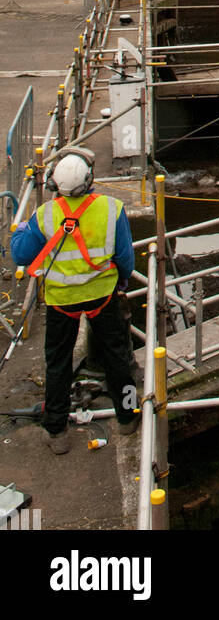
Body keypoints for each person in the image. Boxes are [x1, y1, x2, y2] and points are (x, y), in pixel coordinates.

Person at [10, 148, 138, 455]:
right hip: (102, 298)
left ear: (55, 185)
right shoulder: (111, 209)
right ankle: (128, 416)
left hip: (61, 302)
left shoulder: (45, 216)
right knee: (118, 359)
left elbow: (20, 253)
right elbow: (125, 259)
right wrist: (119, 283)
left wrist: (26, 226)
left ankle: (57, 432)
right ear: (90, 180)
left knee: (58, 364)